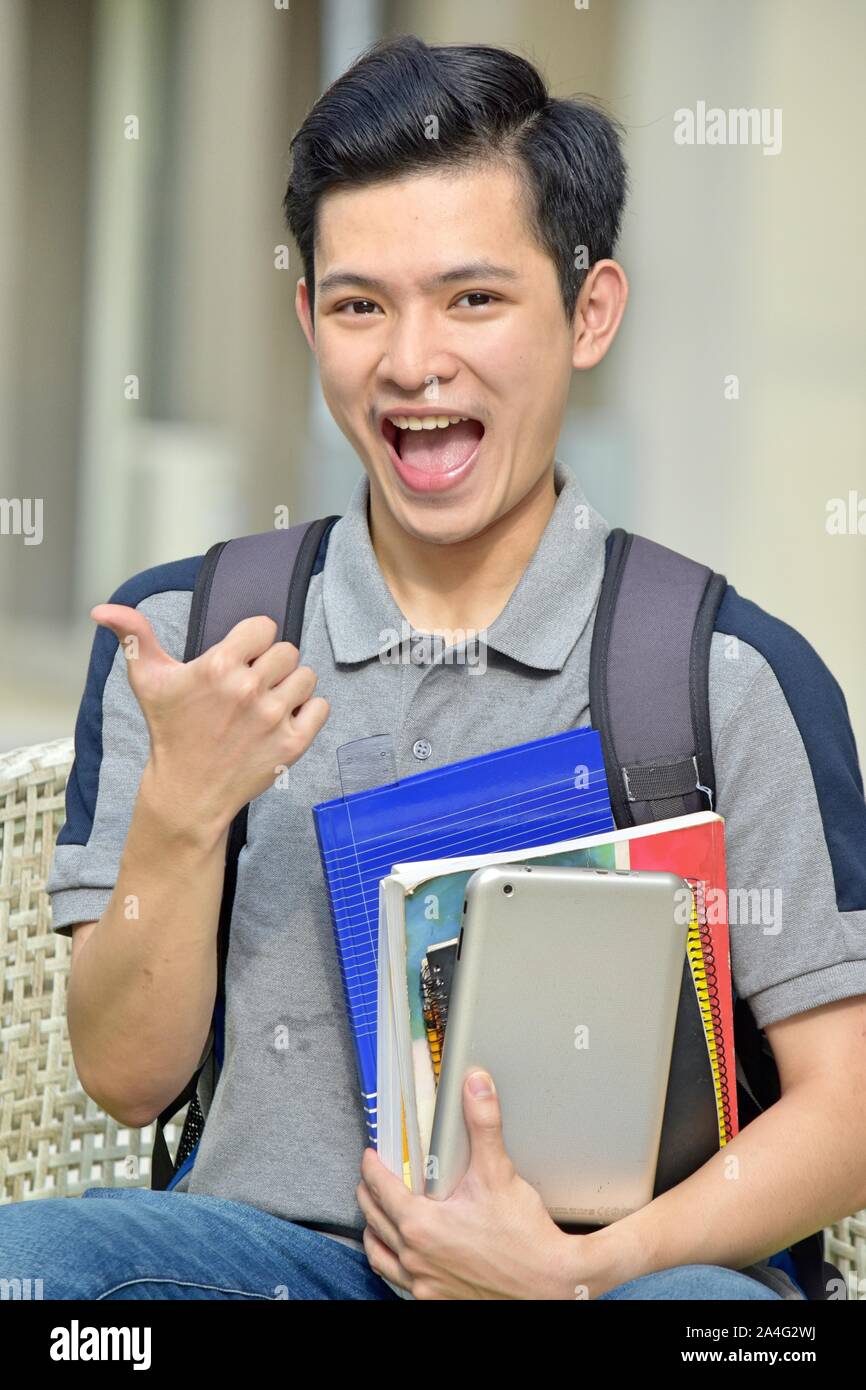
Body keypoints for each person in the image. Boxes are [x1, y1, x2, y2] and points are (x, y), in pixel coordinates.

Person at [3, 35, 865, 1302]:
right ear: (307, 319)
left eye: (471, 298)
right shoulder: (184, 640)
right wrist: (183, 808)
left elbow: (845, 1108)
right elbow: (128, 1077)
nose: (411, 363)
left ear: (588, 312)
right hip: (267, 1268)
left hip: (619, 1279)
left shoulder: (727, 676)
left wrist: (574, 1272)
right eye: (359, 304)